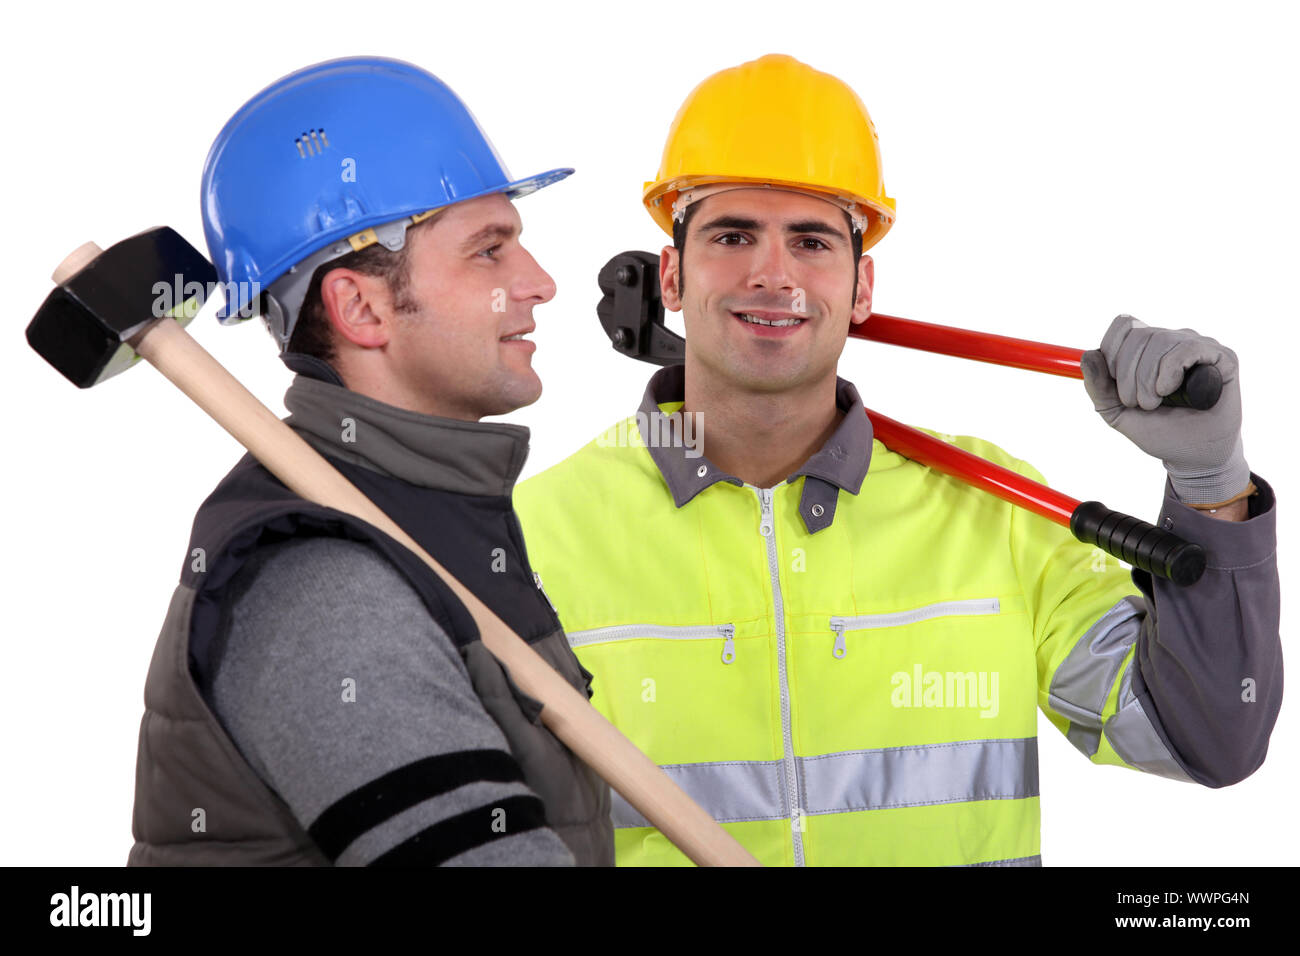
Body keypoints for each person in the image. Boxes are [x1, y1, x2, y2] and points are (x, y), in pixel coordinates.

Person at [513, 53, 1281, 866]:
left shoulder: (997, 512)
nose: (773, 274)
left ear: (862, 288)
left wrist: (1211, 488)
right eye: (732, 236)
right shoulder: (532, 534)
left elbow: (1207, 737)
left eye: (811, 241)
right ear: (671, 276)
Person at [127, 56, 612, 866]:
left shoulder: (429, 519)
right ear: (360, 307)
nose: (540, 283)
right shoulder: (319, 586)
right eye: (488, 252)